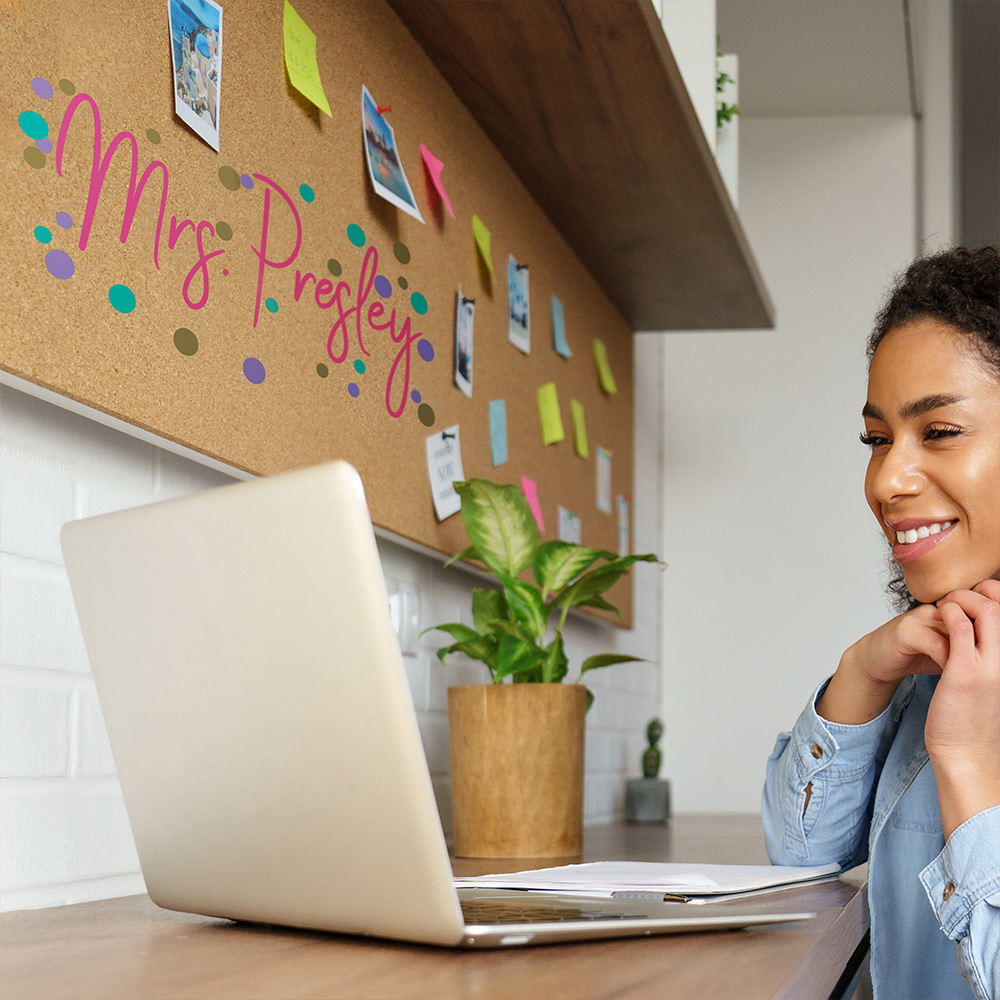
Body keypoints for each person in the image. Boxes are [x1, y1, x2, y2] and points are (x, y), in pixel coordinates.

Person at [762, 245, 1000, 1000]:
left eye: (938, 432)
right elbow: (799, 853)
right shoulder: (938, 663)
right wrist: (863, 670)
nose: (887, 480)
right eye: (876, 440)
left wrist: (964, 760)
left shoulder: (962, 705)